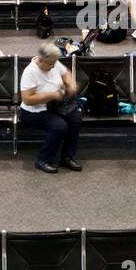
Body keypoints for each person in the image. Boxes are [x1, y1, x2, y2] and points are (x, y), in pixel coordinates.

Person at [19, 43, 83, 174]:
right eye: (50, 64)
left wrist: (71, 84)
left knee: (75, 119)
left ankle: (67, 157)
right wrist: (51, 95)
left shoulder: (53, 63)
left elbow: (66, 73)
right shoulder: (30, 72)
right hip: (34, 111)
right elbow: (27, 99)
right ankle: (43, 160)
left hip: (55, 106)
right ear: (40, 60)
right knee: (59, 126)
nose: (53, 66)